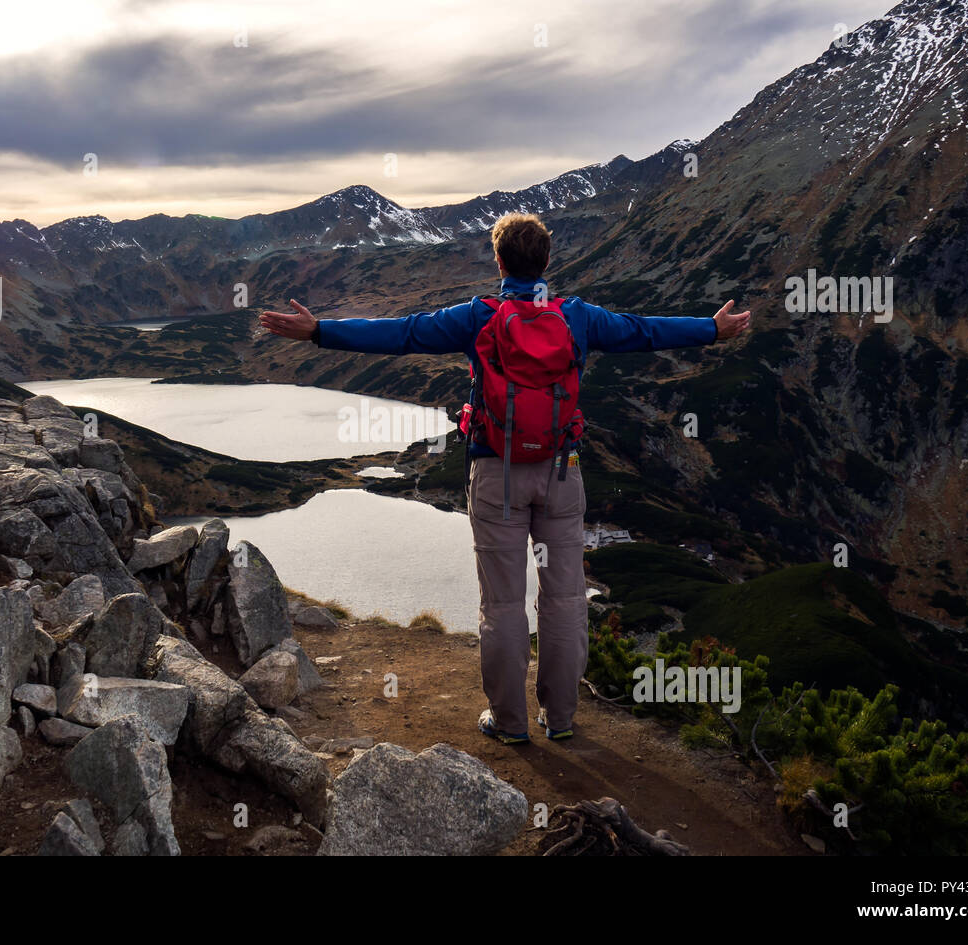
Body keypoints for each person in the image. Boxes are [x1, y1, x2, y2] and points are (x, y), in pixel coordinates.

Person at [260, 212, 751, 744]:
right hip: (562, 473)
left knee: (501, 604)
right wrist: (711, 329)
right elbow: (644, 330)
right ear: (547, 262)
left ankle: (510, 723)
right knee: (564, 599)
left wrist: (320, 332)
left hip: (497, 472)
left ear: (499, 262)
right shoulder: (578, 317)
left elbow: (402, 334)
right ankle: (561, 720)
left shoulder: (478, 317)